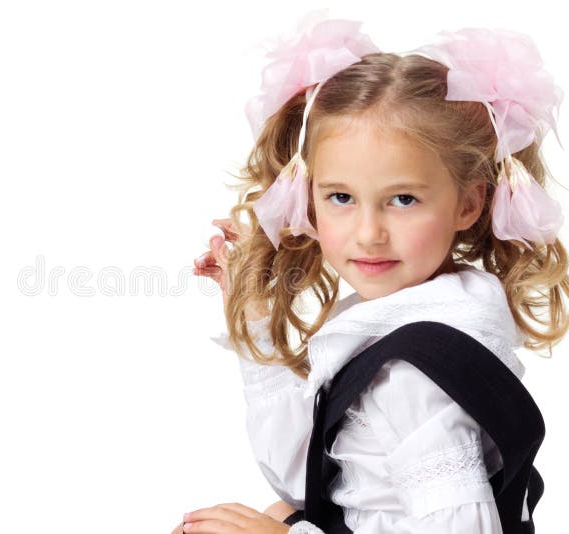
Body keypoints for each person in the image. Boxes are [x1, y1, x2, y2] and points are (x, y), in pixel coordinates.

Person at [178, 8, 568, 534]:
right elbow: (313, 480)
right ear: (307, 195)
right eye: (340, 197)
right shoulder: (408, 316)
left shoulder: (413, 376)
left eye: (403, 199)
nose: (368, 233)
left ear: (469, 204)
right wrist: (254, 318)